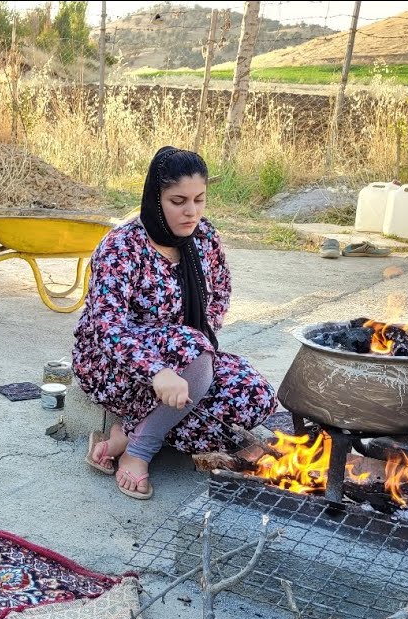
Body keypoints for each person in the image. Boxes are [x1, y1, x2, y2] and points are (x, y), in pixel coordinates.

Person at [72, 147, 276, 500]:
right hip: (114, 363)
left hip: (188, 360)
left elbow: (220, 293)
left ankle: (126, 431)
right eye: (178, 200)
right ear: (156, 197)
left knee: (254, 398)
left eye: (199, 200)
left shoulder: (205, 237)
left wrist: (192, 348)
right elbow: (107, 326)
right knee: (194, 351)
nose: (191, 212)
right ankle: (140, 450)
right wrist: (157, 370)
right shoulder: (122, 247)